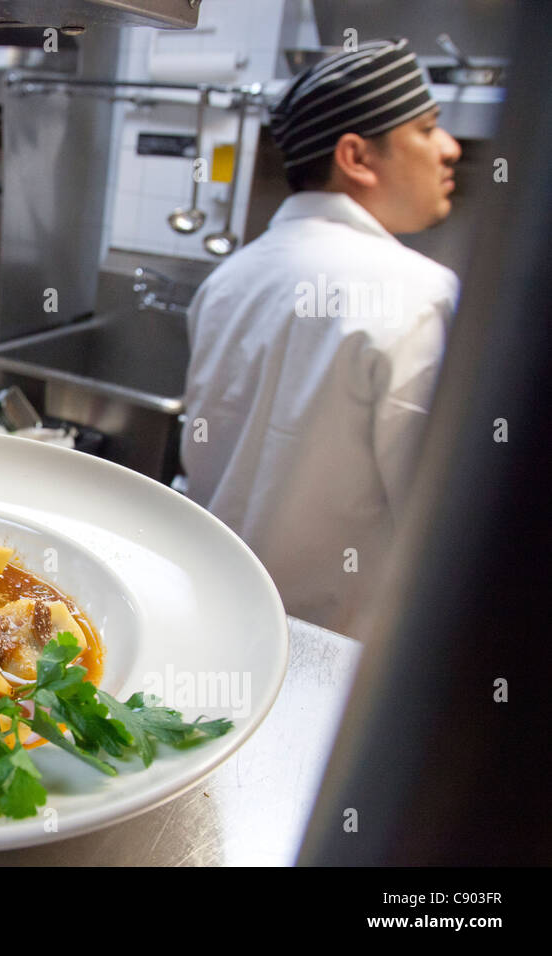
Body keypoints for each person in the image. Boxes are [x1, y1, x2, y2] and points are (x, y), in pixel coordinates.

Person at [179, 39, 462, 635]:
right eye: (429, 128)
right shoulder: (420, 295)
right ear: (356, 157)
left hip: (215, 617)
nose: (450, 148)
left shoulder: (231, 278)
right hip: (338, 649)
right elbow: (443, 521)